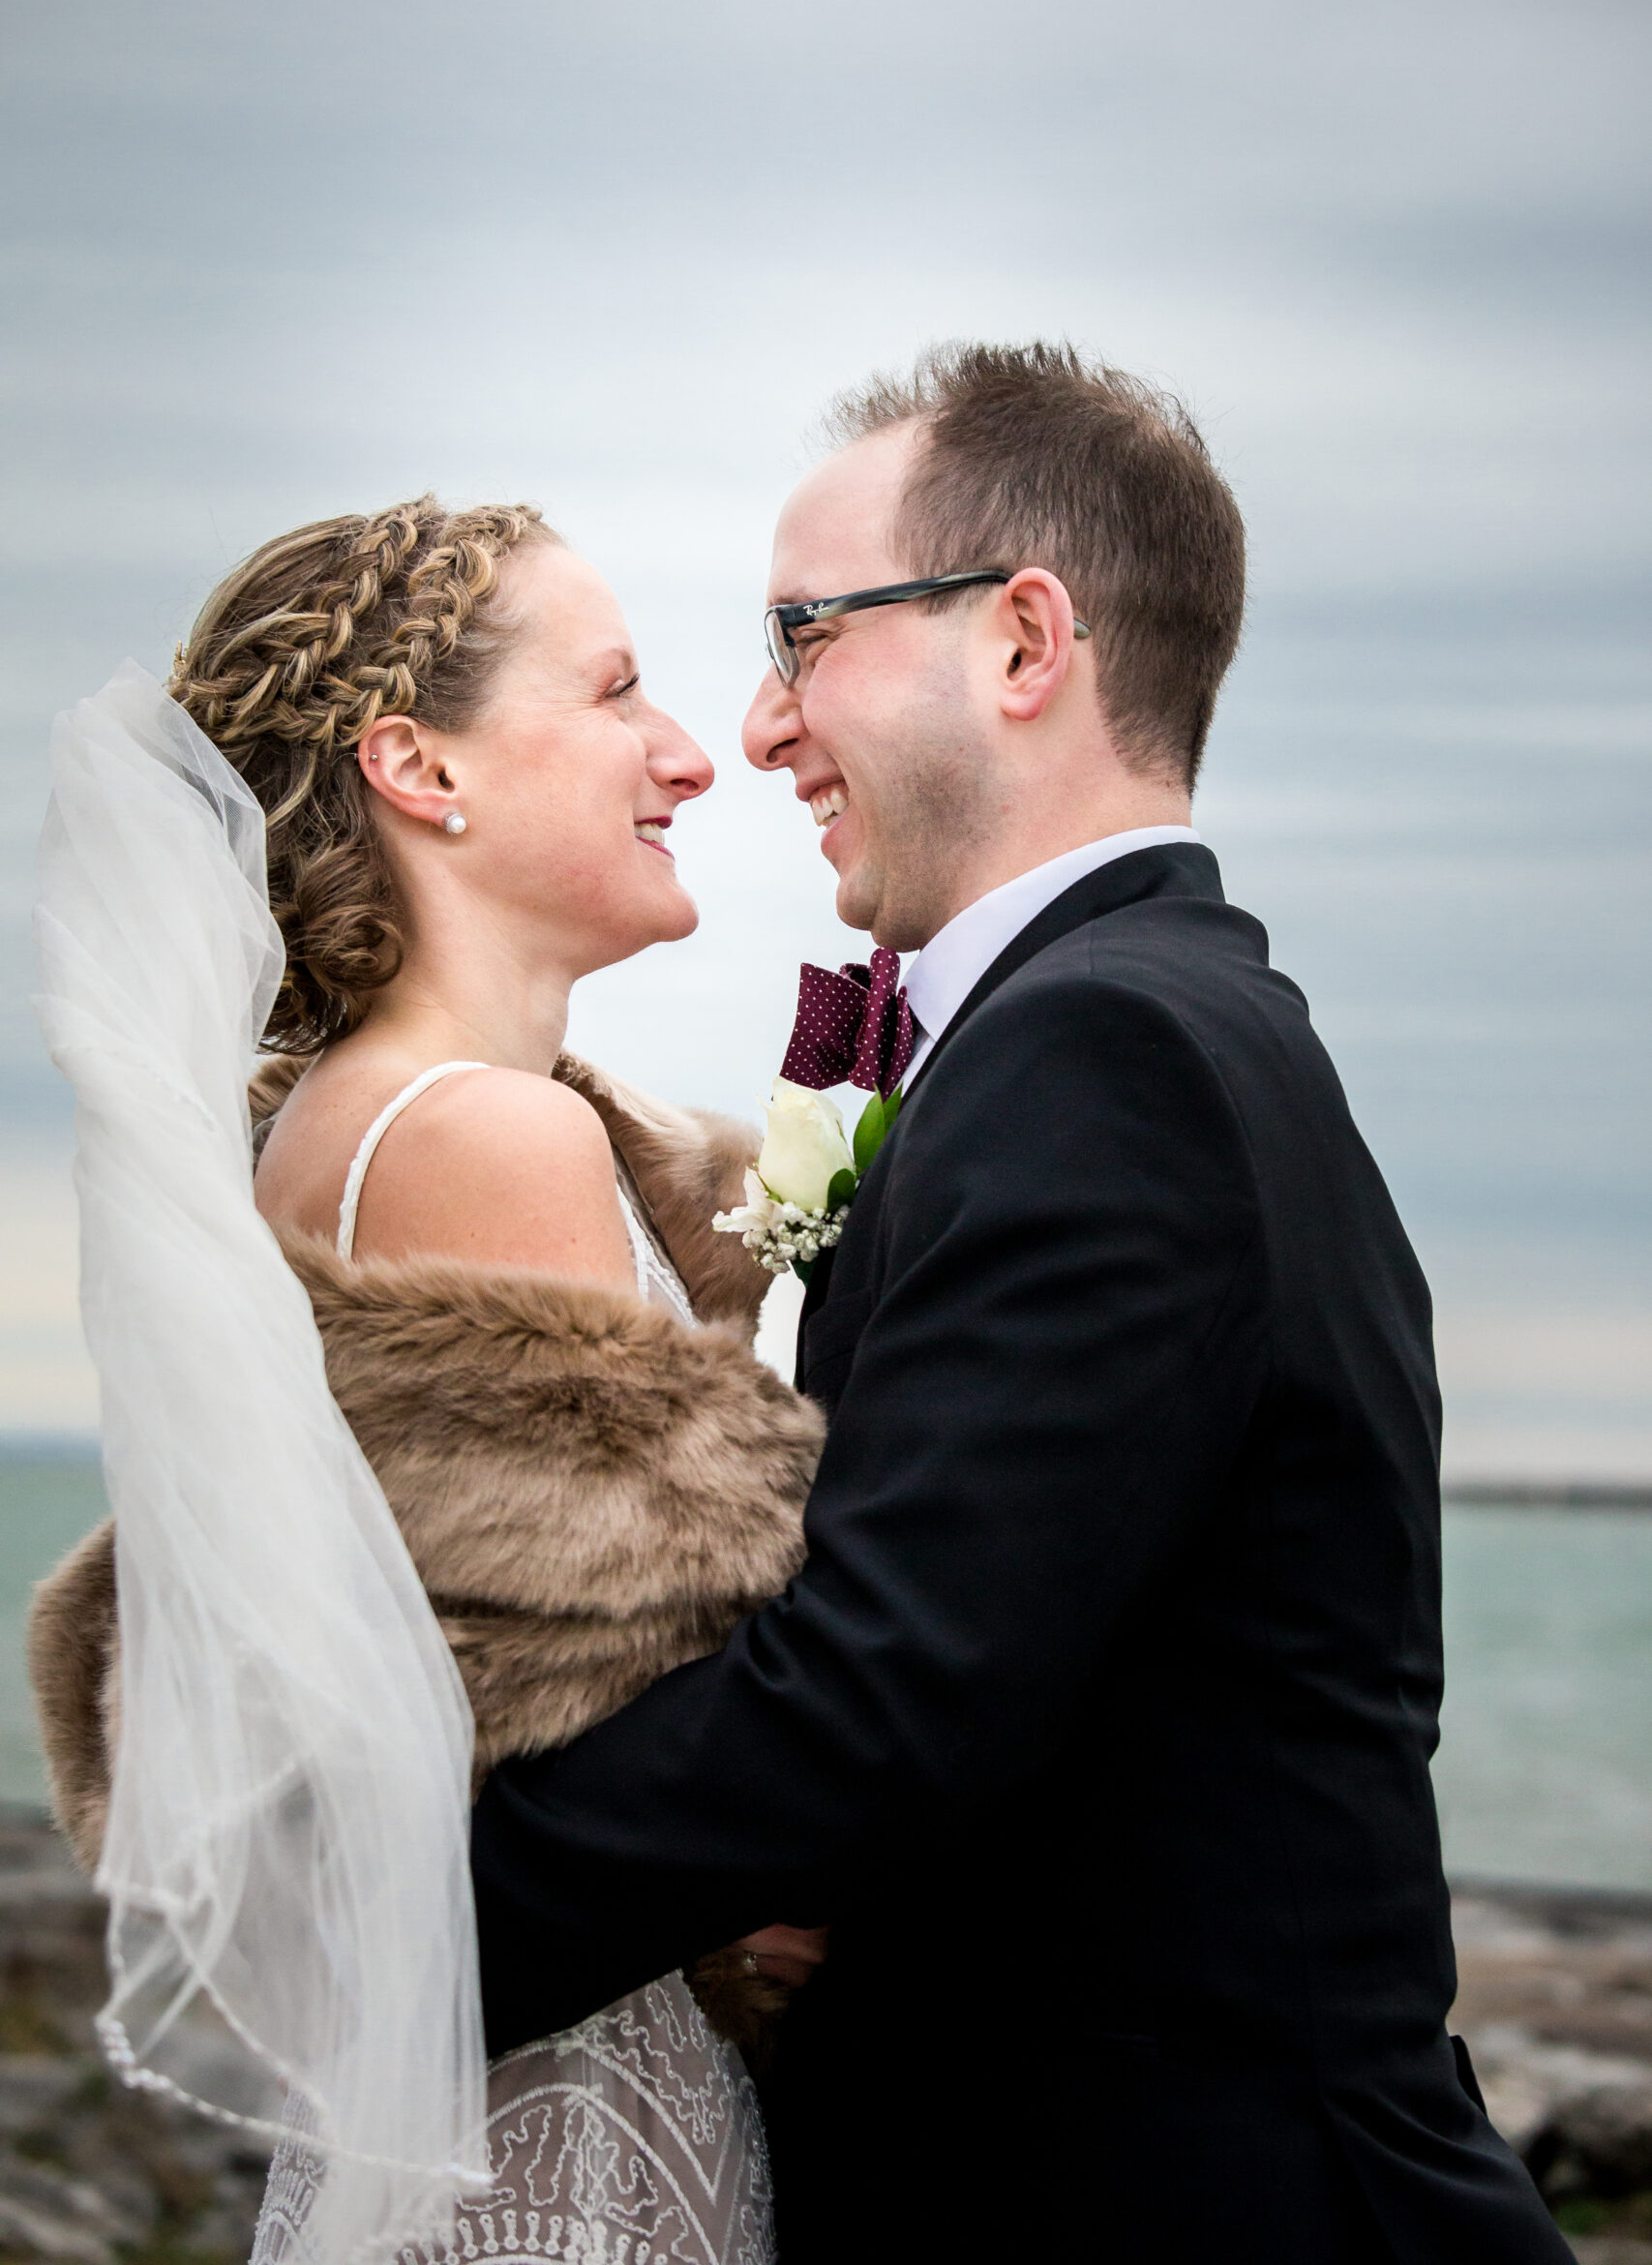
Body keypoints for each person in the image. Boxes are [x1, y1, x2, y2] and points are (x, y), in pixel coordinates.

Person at [467, 346, 1574, 2261]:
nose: (753, 723)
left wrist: (395, 1914)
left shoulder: (1111, 1055)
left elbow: (886, 1689)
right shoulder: (1118, 1033)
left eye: (800, 637)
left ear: (1020, 640)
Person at [30, 497, 826, 2265]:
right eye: (619, 692)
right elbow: (629, 1699)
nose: (690, 756)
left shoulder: (363, 1122)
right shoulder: (478, 1132)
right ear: (418, 767)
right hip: (562, 2134)